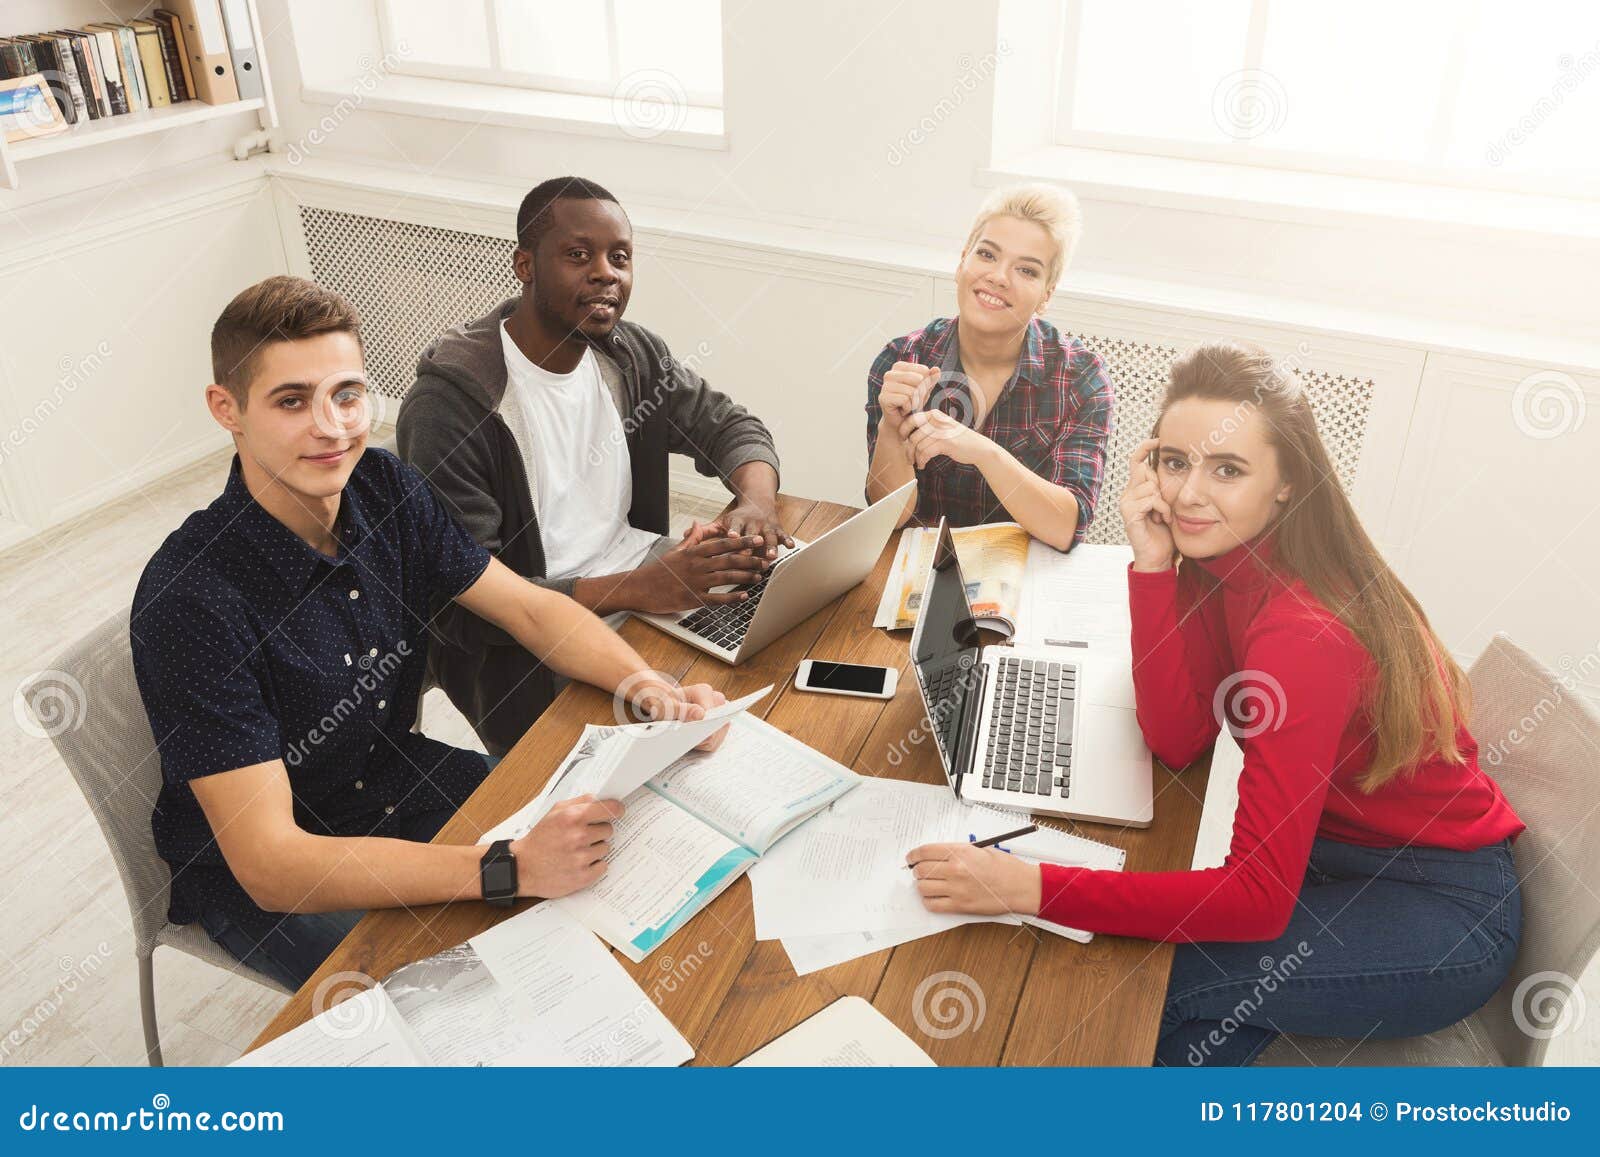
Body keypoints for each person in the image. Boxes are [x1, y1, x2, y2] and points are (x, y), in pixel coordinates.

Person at [905, 341, 1524, 1065]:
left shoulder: (1304, 633)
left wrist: (1030, 886)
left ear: (1288, 481)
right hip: (1337, 853)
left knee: (1143, 984)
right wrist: (1152, 565)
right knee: (1167, 1006)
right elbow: (1177, 736)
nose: (1189, 493)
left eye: (1227, 469)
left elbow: (1256, 899)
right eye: (1174, 461)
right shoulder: (1222, 559)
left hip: (1439, 904)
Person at [131, 276, 729, 992]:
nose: (332, 425)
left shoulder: (384, 486)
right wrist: (508, 864)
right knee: (514, 993)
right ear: (226, 409)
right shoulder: (190, 598)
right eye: (292, 400)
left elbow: (531, 610)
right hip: (283, 877)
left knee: (634, 850)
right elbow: (272, 863)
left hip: (401, 781)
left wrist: (650, 689)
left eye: (347, 393)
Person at [398, 176, 789, 758]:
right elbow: (466, 611)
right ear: (525, 265)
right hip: (527, 648)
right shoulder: (453, 406)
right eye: (579, 255)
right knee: (683, 755)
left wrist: (755, 505)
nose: (607, 273)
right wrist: (646, 587)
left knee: (779, 658)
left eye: (621, 257)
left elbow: (731, 427)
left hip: (640, 579)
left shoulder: (629, 354)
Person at [864, 183, 1113, 550]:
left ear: (1046, 295)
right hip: (919, 570)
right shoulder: (903, 359)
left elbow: (1066, 529)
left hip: (1023, 582)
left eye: (1027, 271)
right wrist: (890, 426)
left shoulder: (1081, 379)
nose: (998, 276)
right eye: (987, 255)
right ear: (962, 261)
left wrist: (982, 451)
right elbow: (891, 518)